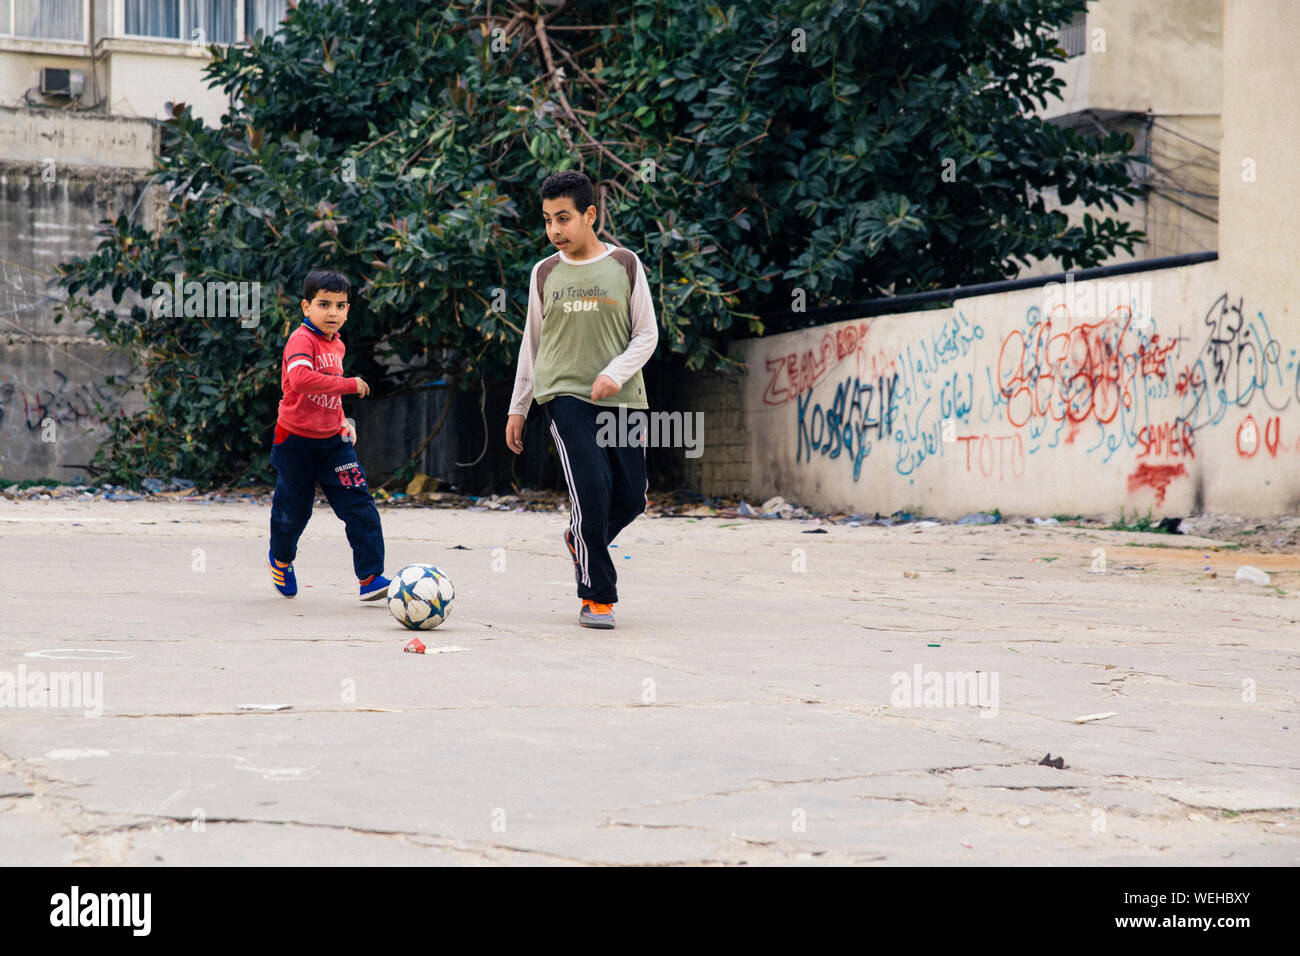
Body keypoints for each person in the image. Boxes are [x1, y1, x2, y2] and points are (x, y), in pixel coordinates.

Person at [505, 170, 659, 629]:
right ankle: (597, 595)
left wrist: (614, 374)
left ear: (590, 215)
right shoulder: (544, 272)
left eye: (564, 218)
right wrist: (519, 406)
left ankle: (581, 538)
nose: (554, 230)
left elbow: (646, 334)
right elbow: (531, 344)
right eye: (548, 220)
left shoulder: (626, 264)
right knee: (591, 490)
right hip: (564, 395)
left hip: (624, 398)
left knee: (632, 497)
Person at [267, 268, 390, 601]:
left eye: (340, 305)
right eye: (324, 304)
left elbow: (327, 396)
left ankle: (370, 577)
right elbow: (301, 380)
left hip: (334, 445)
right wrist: (349, 384)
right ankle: (280, 559)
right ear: (306, 307)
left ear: (348, 310)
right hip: (295, 443)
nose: (332, 312)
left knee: (360, 506)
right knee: (294, 512)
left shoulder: (337, 345)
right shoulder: (301, 340)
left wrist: (342, 421)